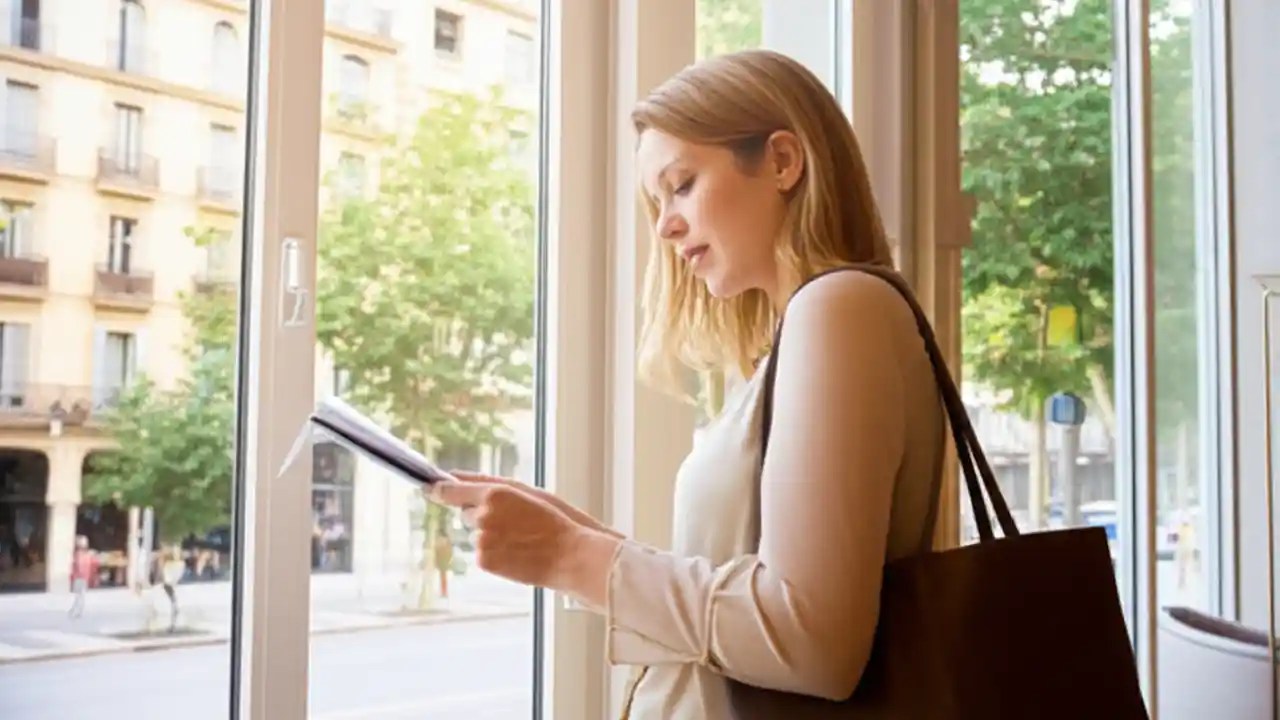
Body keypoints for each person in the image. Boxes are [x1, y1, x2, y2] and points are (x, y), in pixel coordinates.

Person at [434, 49, 946, 718]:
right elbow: (745, 599)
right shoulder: (792, 339)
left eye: (682, 184)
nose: (666, 225)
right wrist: (580, 542)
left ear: (784, 162)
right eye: (657, 201)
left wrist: (570, 555)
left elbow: (812, 641)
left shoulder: (839, 307)